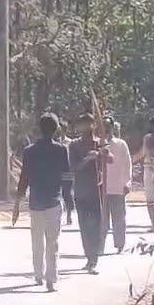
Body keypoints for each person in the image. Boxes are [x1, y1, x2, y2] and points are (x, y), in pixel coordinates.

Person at [14, 113, 72, 292]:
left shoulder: (29, 151)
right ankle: (51, 279)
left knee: (37, 240)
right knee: (52, 241)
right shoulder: (61, 150)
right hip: (54, 202)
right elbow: (67, 175)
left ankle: (38, 274)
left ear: (39, 129)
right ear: (56, 130)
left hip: (36, 203)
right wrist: (69, 199)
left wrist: (17, 202)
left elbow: (24, 178)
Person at [67, 114, 105, 274]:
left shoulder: (100, 143)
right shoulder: (74, 146)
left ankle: (94, 258)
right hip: (82, 191)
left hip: (97, 191)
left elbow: (110, 160)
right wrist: (88, 159)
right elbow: (73, 167)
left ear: (94, 125)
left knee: (96, 226)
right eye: (83, 124)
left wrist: (103, 154)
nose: (86, 128)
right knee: (84, 226)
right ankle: (89, 257)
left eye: (89, 124)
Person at [101, 118, 132, 253]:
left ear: (113, 128)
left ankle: (120, 244)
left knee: (119, 218)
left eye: (108, 126)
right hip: (101, 189)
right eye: (104, 127)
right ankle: (99, 246)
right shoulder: (97, 144)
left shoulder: (121, 144)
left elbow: (127, 164)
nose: (106, 129)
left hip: (118, 187)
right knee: (102, 220)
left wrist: (127, 182)